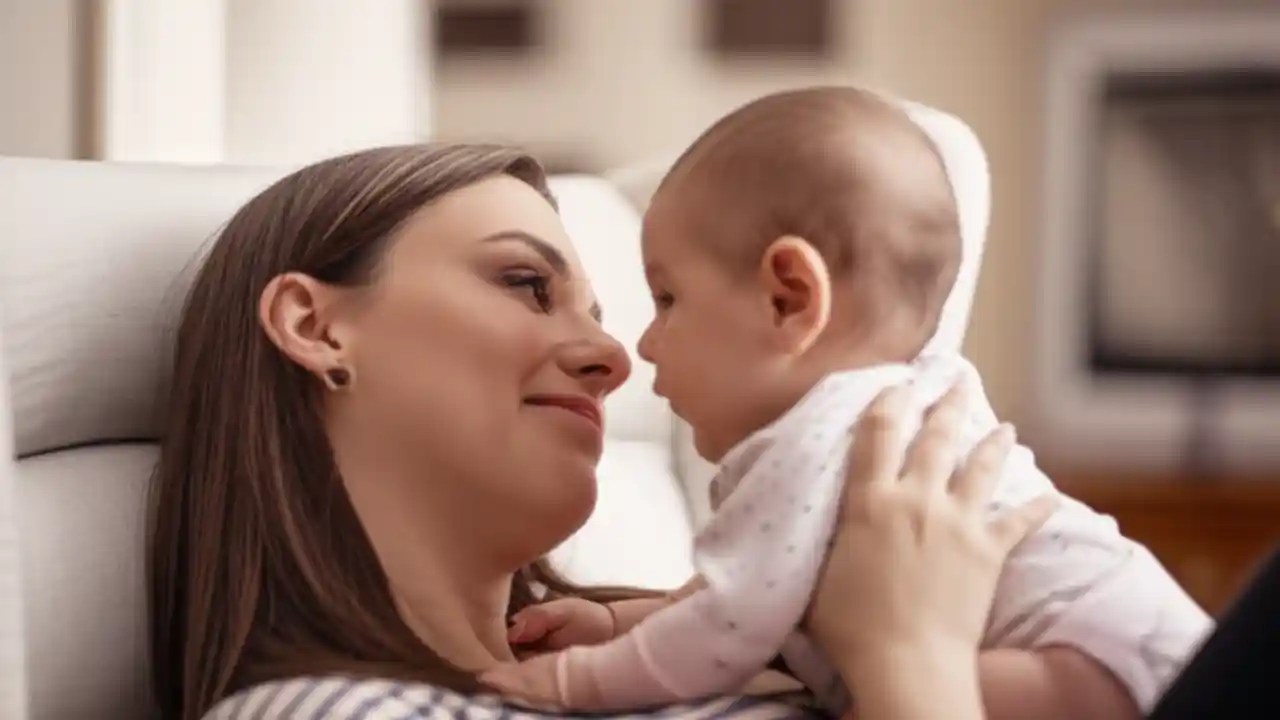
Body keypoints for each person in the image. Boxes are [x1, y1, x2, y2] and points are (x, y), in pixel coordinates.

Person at [150, 142, 1032, 720]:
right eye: (526, 283)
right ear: (316, 327)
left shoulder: (679, 636)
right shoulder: (323, 711)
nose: (616, 357)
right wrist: (910, 661)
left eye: (604, 312)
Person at [478, 87, 1210, 720]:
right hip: (1140, 641)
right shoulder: (873, 414)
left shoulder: (825, 436)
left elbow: (736, 622)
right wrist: (616, 621)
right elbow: (761, 597)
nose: (646, 343)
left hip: (1085, 652)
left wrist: (578, 681)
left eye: (668, 299)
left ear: (789, 298)